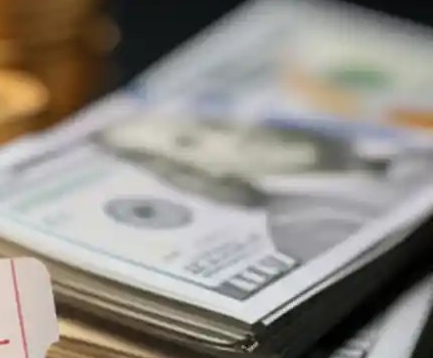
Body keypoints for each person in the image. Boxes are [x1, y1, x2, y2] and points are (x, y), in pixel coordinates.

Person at [93, 112, 433, 263]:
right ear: (199, 172)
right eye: (189, 142)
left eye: (210, 123)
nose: (229, 133)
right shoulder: (312, 226)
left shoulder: (396, 151)